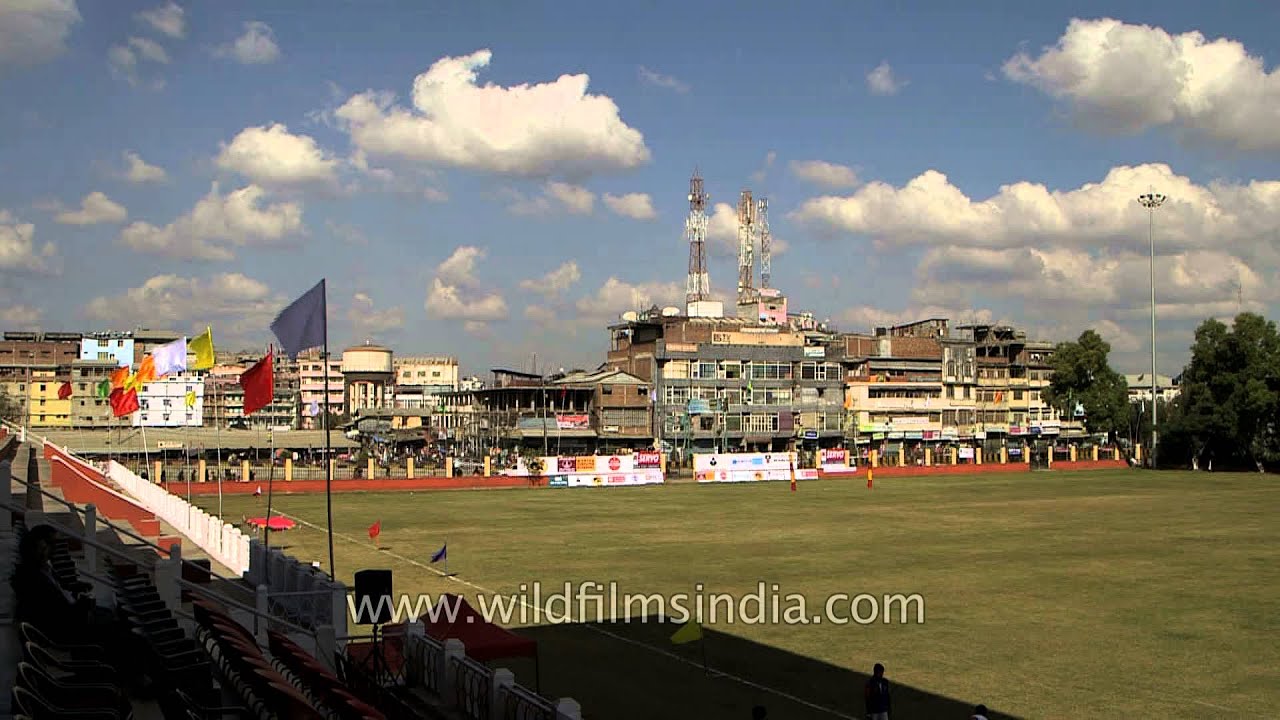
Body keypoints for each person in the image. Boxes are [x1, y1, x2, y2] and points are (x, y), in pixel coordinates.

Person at [10, 524, 102, 644]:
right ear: (37, 546)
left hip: (71, 616)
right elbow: (58, 617)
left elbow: (62, 590)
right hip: (66, 633)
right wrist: (84, 605)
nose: (55, 549)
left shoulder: (45, 569)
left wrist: (77, 590)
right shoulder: (34, 579)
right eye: (50, 543)